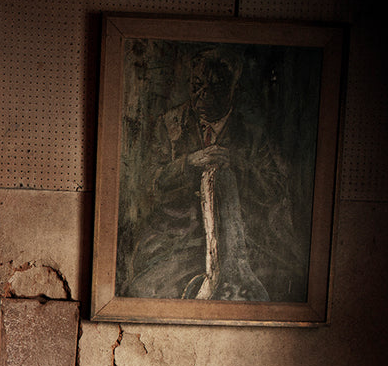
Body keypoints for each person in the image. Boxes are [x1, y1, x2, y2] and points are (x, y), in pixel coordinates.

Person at [118, 45, 299, 302]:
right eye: (197, 86)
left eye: (215, 87)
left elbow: (275, 189)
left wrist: (238, 165)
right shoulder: (170, 124)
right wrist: (188, 163)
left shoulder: (252, 133)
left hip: (241, 242)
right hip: (179, 239)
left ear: (234, 88)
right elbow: (147, 183)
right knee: (146, 290)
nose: (204, 95)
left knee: (281, 288)